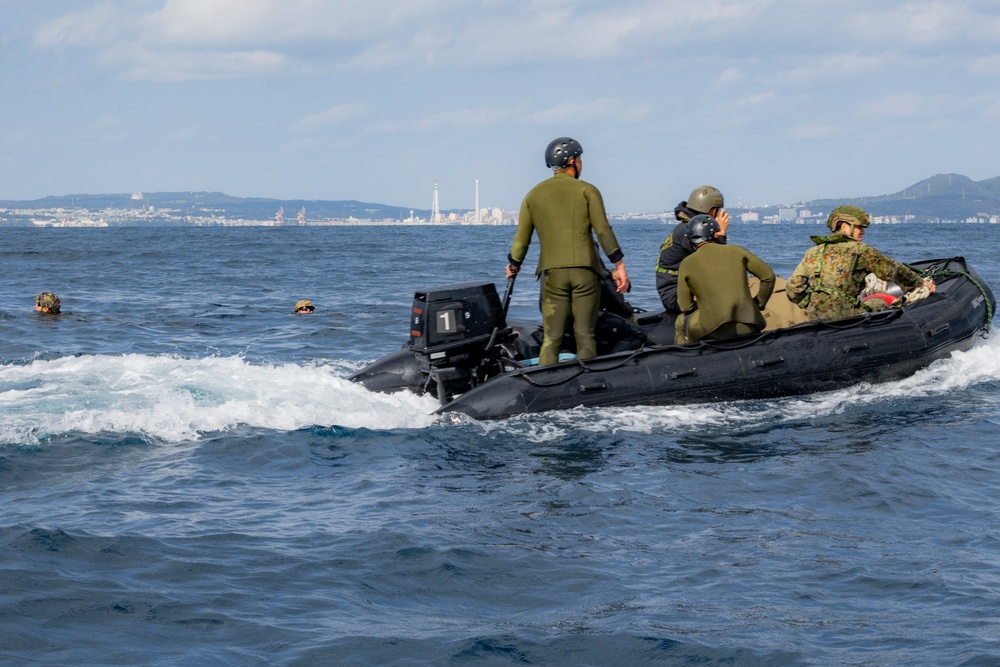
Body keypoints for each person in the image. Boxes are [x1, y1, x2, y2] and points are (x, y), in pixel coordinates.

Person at [506, 136, 630, 366]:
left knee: (551, 339)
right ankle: (588, 382)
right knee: (585, 336)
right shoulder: (587, 191)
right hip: (585, 272)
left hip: (552, 275)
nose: (581, 163)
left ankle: (546, 382)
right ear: (572, 161)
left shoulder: (533, 195)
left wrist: (514, 264)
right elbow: (603, 230)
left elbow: (521, 241)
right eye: (580, 159)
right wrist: (619, 266)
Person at [786, 206, 935, 321]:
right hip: (847, 316)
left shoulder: (813, 252)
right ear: (845, 227)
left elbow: (793, 288)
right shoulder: (860, 250)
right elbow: (893, 270)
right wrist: (920, 283)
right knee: (879, 301)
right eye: (859, 227)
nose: (863, 231)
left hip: (816, 317)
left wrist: (810, 304)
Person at [674, 215, 775, 344]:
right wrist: (758, 304)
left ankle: (686, 354)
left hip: (714, 331)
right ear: (716, 234)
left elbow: (685, 306)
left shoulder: (687, 263)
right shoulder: (736, 250)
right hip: (750, 325)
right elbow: (768, 276)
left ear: (690, 240)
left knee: (680, 322)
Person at [655, 185, 731, 313]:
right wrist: (721, 235)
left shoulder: (690, 227)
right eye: (717, 210)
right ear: (711, 211)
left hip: (680, 290)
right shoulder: (690, 231)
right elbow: (716, 263)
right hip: (676, 297)